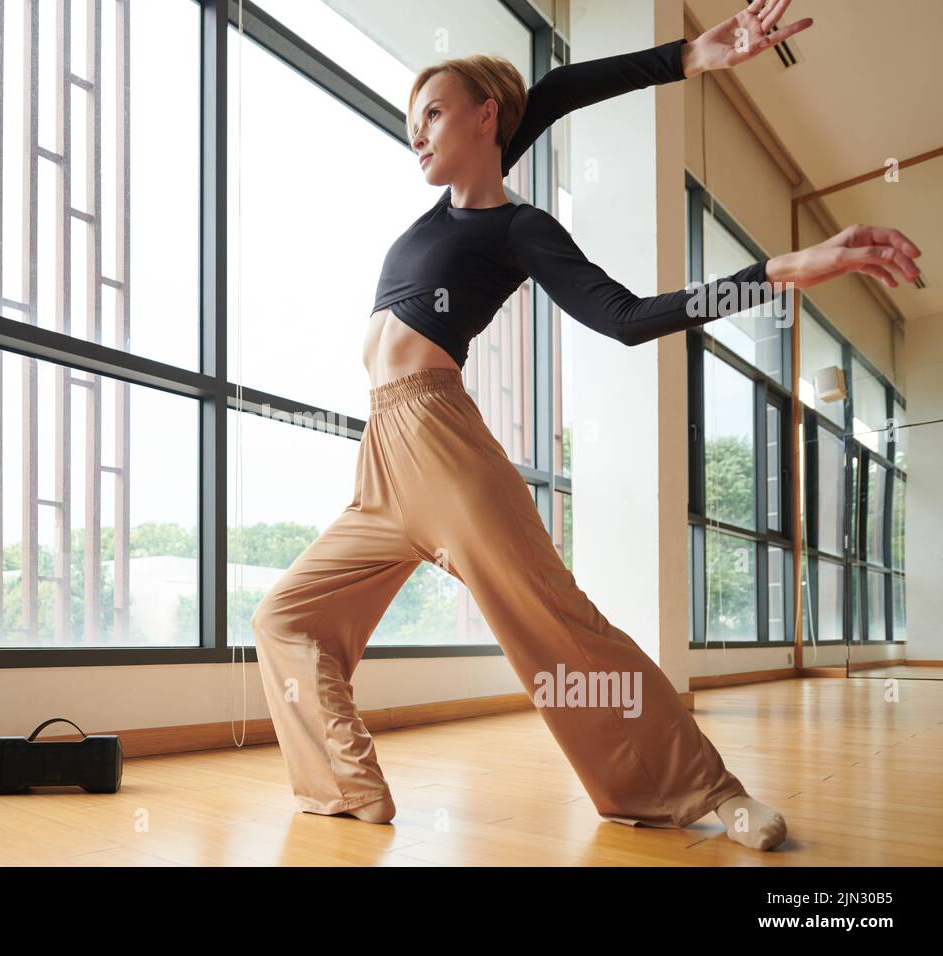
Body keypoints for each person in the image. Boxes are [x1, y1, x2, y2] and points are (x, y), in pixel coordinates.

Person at [250, 0, 919, 852]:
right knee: (286, 618)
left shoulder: (516, 229)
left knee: (560, 636)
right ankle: (346, 789)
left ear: (486, 117)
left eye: (433, 113)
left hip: (446, 451)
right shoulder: (447, 211)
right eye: (410, 120)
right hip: (379, 461)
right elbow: (555, 94)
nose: (415, 133)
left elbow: (629, 316)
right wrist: (689, 56)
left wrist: (779, 270)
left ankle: (712, 789)